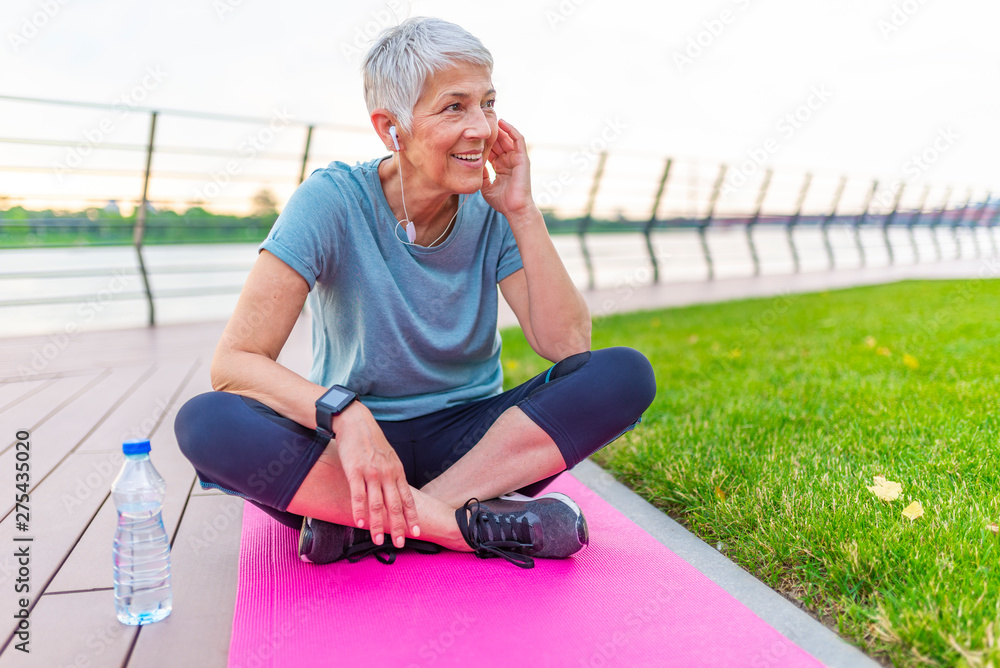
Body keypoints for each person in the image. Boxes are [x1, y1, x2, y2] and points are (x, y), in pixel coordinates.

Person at [174, 16, 655, 569]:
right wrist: (347, 417)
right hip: (350, 454)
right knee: (206, 421)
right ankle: (465, 525)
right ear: (391, 128)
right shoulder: (329, 202)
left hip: (477, 447)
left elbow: (568, 345)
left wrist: (523, 211)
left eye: (488, 103)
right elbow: (235, 362)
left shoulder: (494, 208)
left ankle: (365, 528)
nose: (482, 128)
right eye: (455, 107)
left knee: (624, 373)